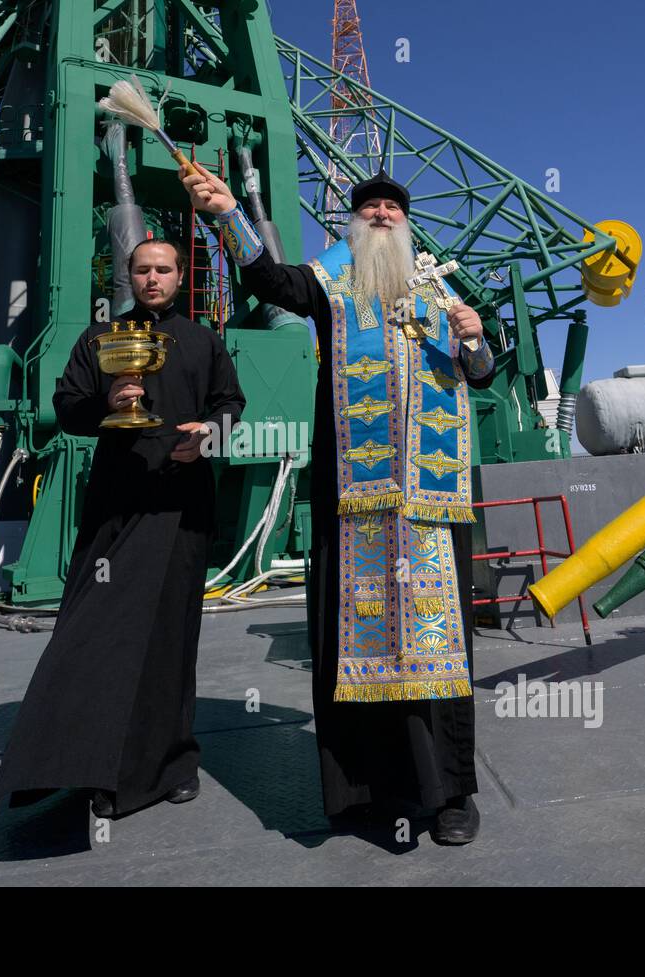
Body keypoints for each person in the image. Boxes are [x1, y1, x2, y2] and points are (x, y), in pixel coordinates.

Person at [182, 163, 494, 845]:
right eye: (370, 206)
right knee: (354, 649)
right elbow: (268, 279)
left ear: (407, 224)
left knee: (440, 652)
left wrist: (472, 337)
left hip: (431, 508)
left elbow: (480, 370)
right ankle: (364, 795)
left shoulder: (440, 292)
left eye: (391, 206)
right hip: (352, 503)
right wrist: (227, 212)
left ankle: (451, 796)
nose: (381, 213)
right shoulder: (329, 286)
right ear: (354, 224)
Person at [0, 239, 245, 820]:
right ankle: (92, 763)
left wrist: (207, 434)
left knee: (172, 637)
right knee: (100, 628)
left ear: (181, 276)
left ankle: (175, 763)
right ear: (128, 276)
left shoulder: (205, 342)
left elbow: (232, 404)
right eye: (142, 270)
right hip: (117, 503)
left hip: (182, 505)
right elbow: (66, 404)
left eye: (164, 269)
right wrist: (109, 397)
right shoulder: (100, 338)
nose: (153, 278)